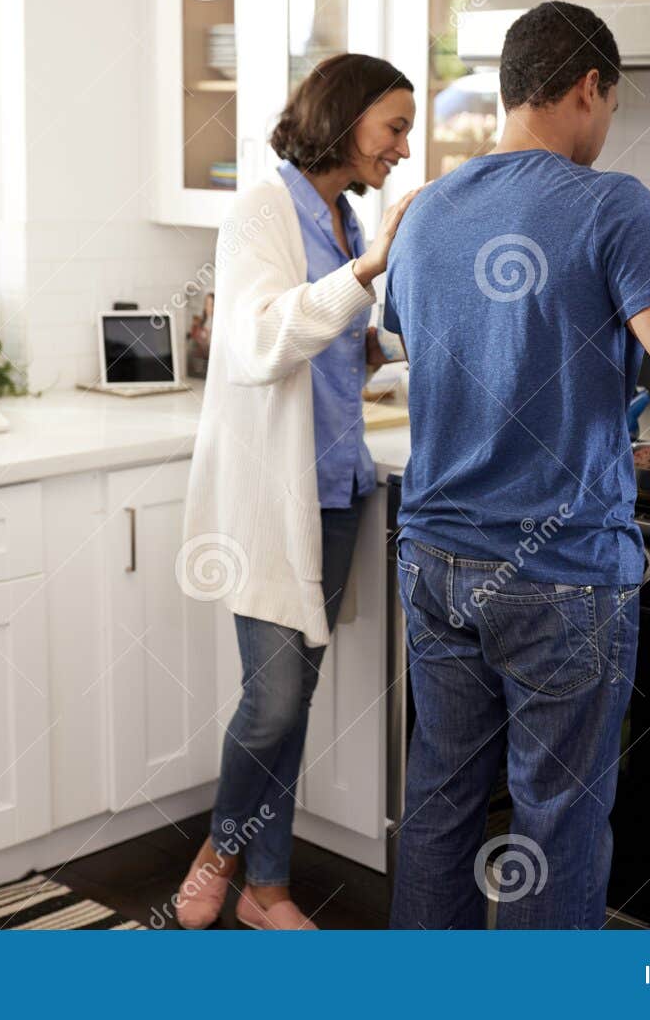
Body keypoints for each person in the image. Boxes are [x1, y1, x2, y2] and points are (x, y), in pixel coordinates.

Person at [383, 1, 650, 929]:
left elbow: (430, 345)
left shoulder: (426, 209)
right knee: (556, 827)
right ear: (589, 87)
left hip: (436, 560)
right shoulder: (611, 203)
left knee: (440, 804)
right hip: (559, 576)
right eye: (612, 104)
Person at [177, 53, 420, 930]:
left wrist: (395, 355)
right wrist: (366, 273)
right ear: (347, 116)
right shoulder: (260, 210)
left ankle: (266, 889)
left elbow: (336, 354)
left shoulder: (342, 217)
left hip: (338, 487)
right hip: (269, 497)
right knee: (273, 697)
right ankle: (222, 847)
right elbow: (256, 344)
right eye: (393, 125)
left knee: (293, 700)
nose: (401, 146)